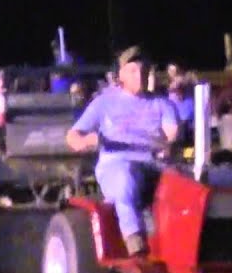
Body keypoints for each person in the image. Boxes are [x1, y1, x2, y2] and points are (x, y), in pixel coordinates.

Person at [66, 46, 179, 256]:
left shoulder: (163, 104)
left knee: (186, 184)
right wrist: (88, 140)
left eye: (144, 71)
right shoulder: (104, 103)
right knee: (125, 179)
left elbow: (172, 133)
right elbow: (72, 136)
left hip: (153, 163)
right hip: (116, 163)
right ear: (121, 76)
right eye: (134, 71)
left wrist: (169, 145)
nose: (141, 75)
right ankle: (133, 238)